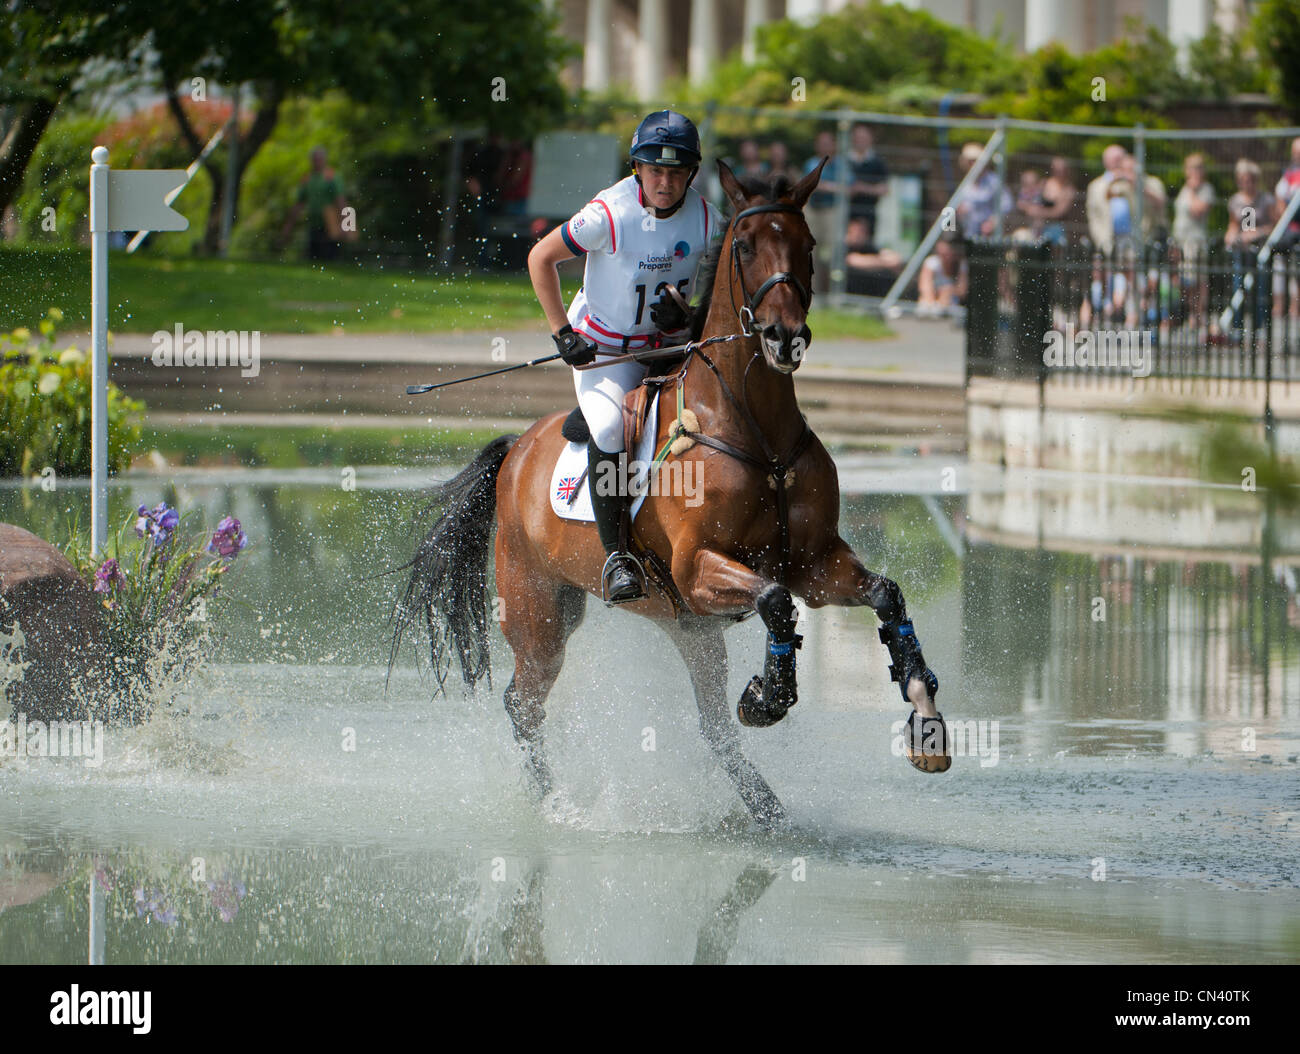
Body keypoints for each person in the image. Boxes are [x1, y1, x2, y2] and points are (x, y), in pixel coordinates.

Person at [526, 110, 724, 604]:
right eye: (655, 170)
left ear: (691, 175)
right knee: (612, 429)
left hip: (669, 351)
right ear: (637, 169)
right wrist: (562, 333)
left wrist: (689, 312)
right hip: (606, 354)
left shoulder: (707, 220)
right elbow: (540, 258)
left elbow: (722, 291)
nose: (665, 182)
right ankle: (617, 555)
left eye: (677, 173)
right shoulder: (607, 214)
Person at [803, 130, 850, 294]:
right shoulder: (811, 163)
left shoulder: (842, 165)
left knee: (832, 253)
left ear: (834, 145)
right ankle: (812, 293)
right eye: (821, 144)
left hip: (832, 212)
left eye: (827, 143)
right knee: (811, 253)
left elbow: (848, 187)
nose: (824, 147)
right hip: (814, 212)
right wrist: (833, 187)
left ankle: (833, 293)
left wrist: (826, 186)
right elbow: (810, 185)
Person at [280, 147, 347, 261]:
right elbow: (299, 204)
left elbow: (340, 201)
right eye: (315, 159)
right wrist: (288, 227)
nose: (317, 162)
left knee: (331, 258)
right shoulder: (307, 179)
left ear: (324, 160)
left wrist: (346, 224)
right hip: (314, 224)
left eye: (319, 159)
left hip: (330, 224)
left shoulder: (331, 177)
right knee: (313, 258)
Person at [954, 141, 1011, 240]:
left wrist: (993, 222)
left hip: (989, 235)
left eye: (975, 161)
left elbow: (1007, 204)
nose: (972, 164)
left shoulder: (993, 181)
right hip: (967, 233)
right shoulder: (965, 183)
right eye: (970, 161)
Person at [1085, 144, 1129, 255]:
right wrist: (1099, 237)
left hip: (1130, 238)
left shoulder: (1133, 182)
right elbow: (1093, 215)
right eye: (1114, 159)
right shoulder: (1096, 186)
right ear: (1105, 161)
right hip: (1106, 238)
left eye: (1120, 159)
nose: (1117, 163)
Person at [843, 216, 902, 297]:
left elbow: (894, 259)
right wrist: (883, 262)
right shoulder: (843, 247)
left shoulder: (869, 246)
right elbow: (853, 260)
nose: (859, 235)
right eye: (856, 231)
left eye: (863, 232)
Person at [846, 123, 888, 227]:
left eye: (864, 138)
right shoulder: (843, 160)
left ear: (871, 139)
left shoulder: (878, 162)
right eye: (858, 137)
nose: (860, 141)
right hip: (844, 212)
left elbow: (884, 189)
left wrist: (862, 188)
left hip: (868, 214)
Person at [917, 235, 967, 315]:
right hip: (933, 301)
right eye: (942, 254)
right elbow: (924, 286)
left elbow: (962, 290)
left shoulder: (961, 265)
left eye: (947, 254)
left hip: (953, 303)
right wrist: (932, 300)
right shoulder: (932, 263)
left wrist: (949, 291)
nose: (945, 258)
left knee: (946, 295)